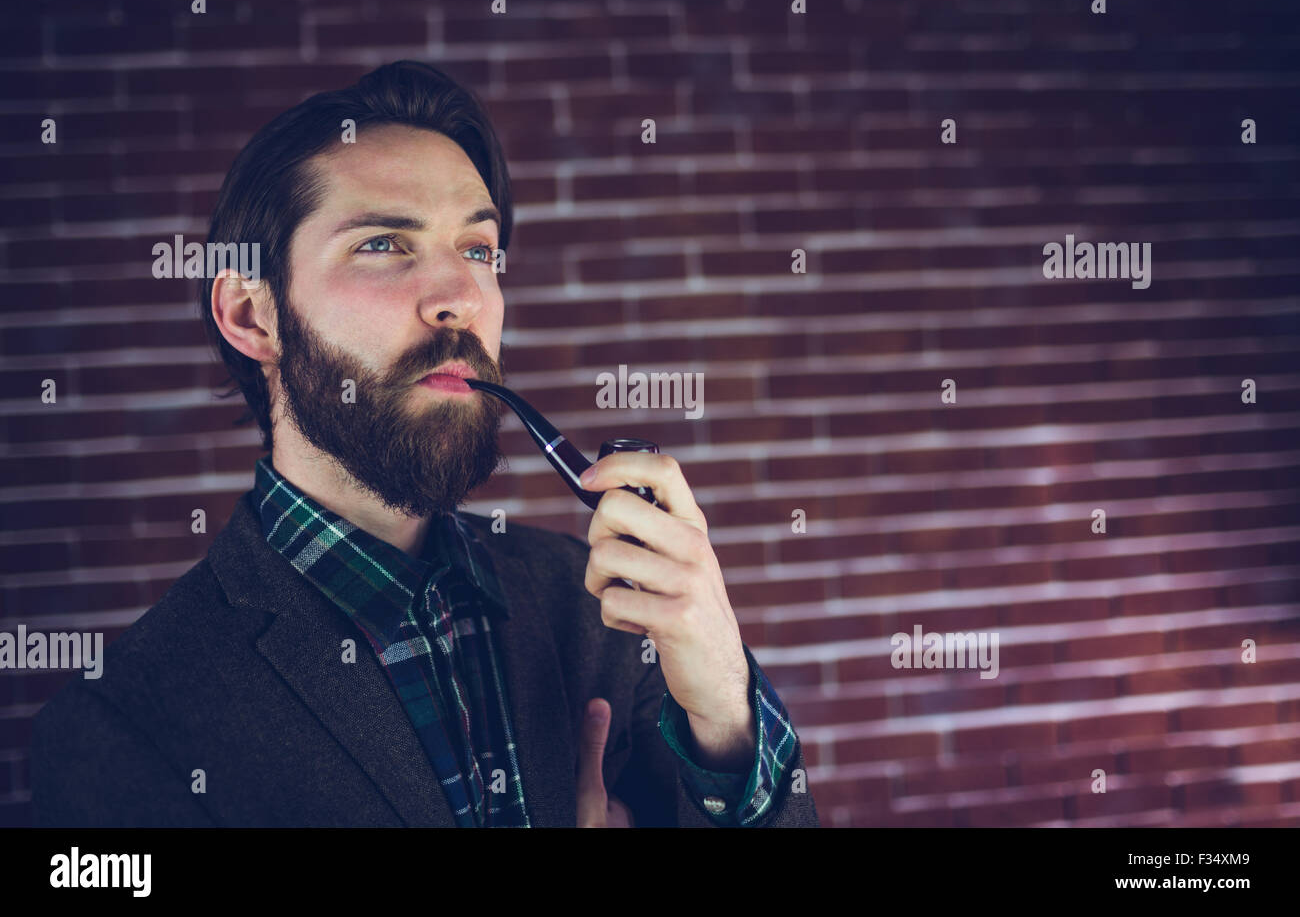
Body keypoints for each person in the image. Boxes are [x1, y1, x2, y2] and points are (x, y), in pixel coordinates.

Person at [31, 61, 818, 828]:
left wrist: (725, 711)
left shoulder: (602, 610)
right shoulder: (124, 727)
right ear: (252, 316)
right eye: (383, 244)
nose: (460, 300)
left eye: (477, 250)